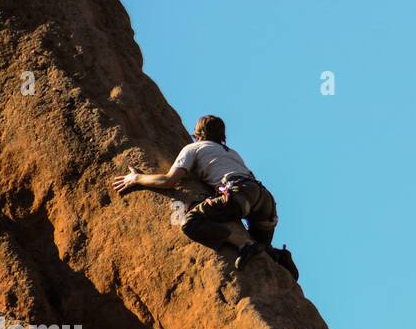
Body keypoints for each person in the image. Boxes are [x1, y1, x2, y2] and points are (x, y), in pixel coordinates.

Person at [111, 115, 296, 277]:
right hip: (264, 200)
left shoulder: (193, 148)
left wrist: (136, 178)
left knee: (190, 222)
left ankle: (243, 244)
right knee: (262, 246)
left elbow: (169, 181)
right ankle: (278, 256)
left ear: (197, 134)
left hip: (240, 193)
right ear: (222, 136)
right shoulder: (232, 153)